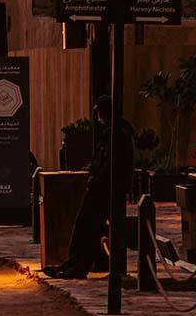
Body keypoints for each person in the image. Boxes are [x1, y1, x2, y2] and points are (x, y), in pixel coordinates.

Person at [46, 96, 134, 279]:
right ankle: (72, 265)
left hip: (105, 189)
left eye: (99, 112)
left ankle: (76, 267)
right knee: (86, 227)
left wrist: (96, 176)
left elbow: (111, 164)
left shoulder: (117, 133)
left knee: (87, 227)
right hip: (103, 187)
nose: (98, 117)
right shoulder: (113, 131)